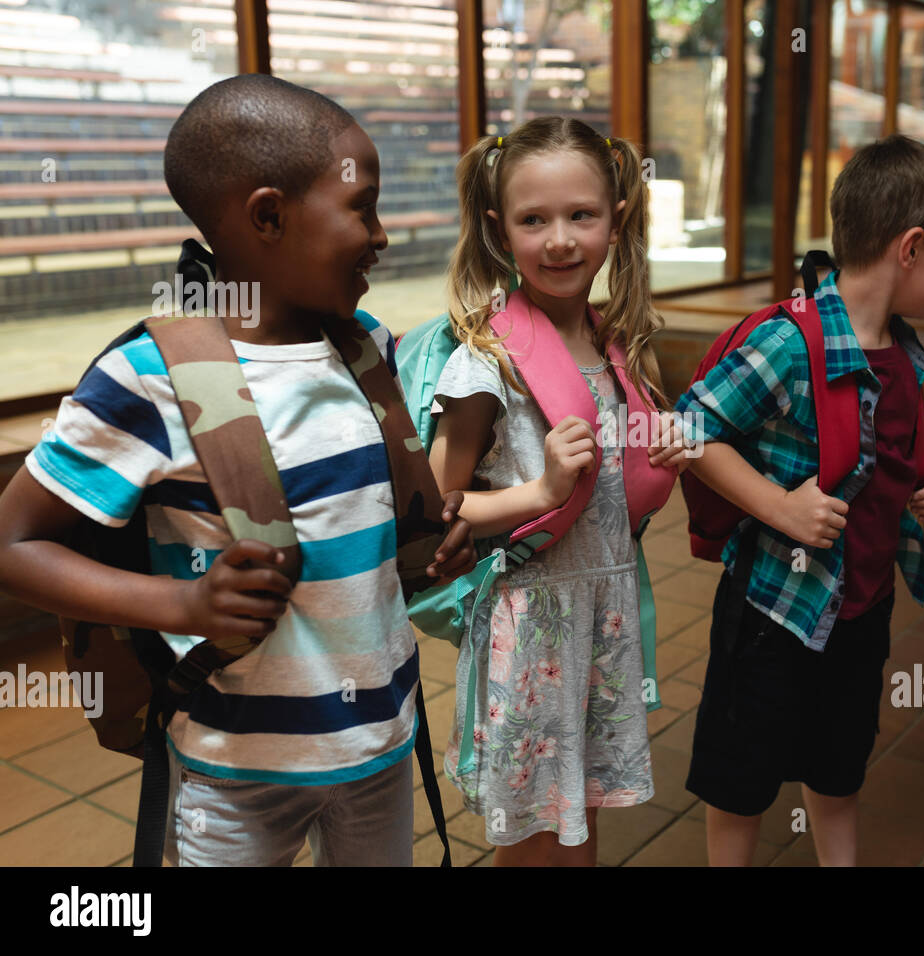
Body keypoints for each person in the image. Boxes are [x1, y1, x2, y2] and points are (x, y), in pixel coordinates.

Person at [0, 74, 475, 866]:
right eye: (363, 206)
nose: (382, 233)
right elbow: (12, 544)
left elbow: (354, 527)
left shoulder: (366, 349)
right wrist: (184, 602)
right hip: (237, 771)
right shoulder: (146, 378)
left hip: (384, 741)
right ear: (267, 216)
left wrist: (428, 548)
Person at [675, 134, 924, 866]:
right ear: (910, 248)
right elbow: (685, 427)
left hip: (860, 611)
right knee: (741, 781)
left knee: (839, 769)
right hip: (772, 611)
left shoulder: (902, 351)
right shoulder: (790, 342)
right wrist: (778, 508)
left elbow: (886, 462)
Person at [427, 116, 687, 865]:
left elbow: (619, 490)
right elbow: (439, 515)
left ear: (618, 220)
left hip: (604, 620)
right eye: (533, 220)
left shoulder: (620, 344)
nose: (560, 238)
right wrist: (538, 488)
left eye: (582, 214)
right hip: (530, 628)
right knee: (534, 833)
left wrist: (662, 452)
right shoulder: (486, 360)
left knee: (582, 817)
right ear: (498, 230)